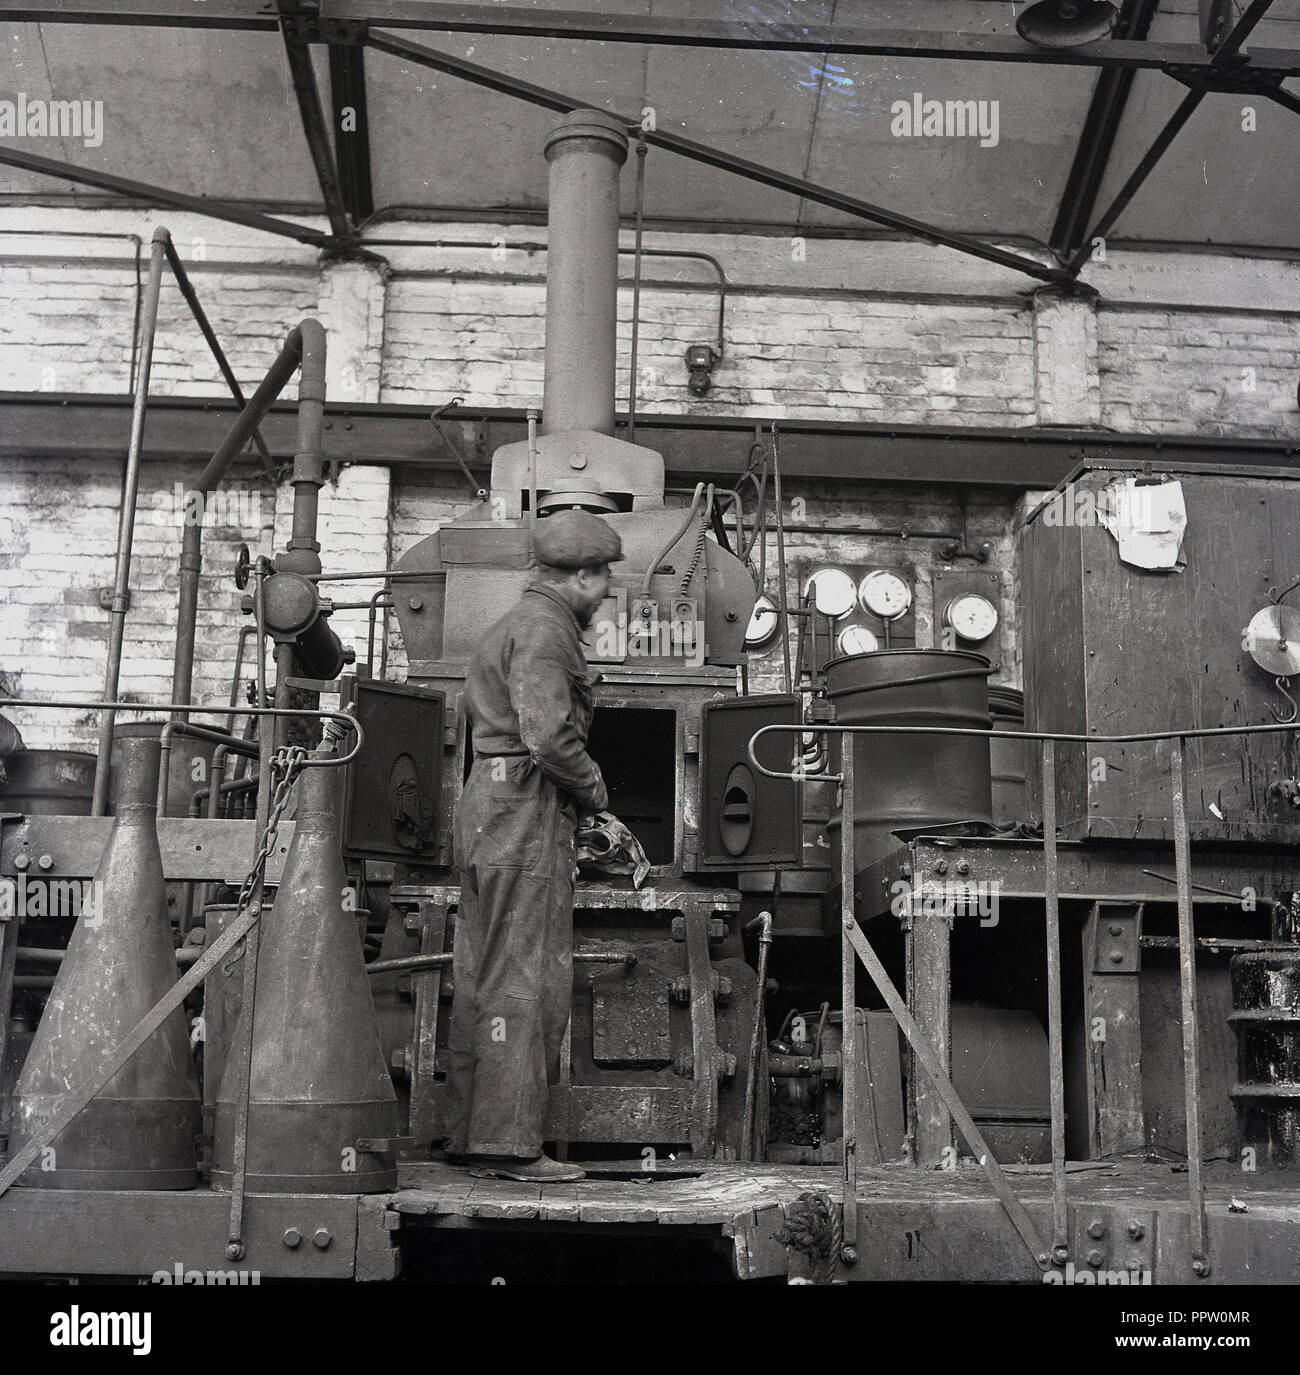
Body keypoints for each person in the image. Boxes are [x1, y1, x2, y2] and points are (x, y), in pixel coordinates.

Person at [441, 508, 622, 1182]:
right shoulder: (548, 631)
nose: (605, 590)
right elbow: (548, 736)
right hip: (524, 811)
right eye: (601, 576)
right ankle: (511, 1146)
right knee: (525, 974)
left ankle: (472, 1136)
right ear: (578, 575)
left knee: (484, 973)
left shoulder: (518, 622)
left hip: (490, 806)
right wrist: (596, 792)